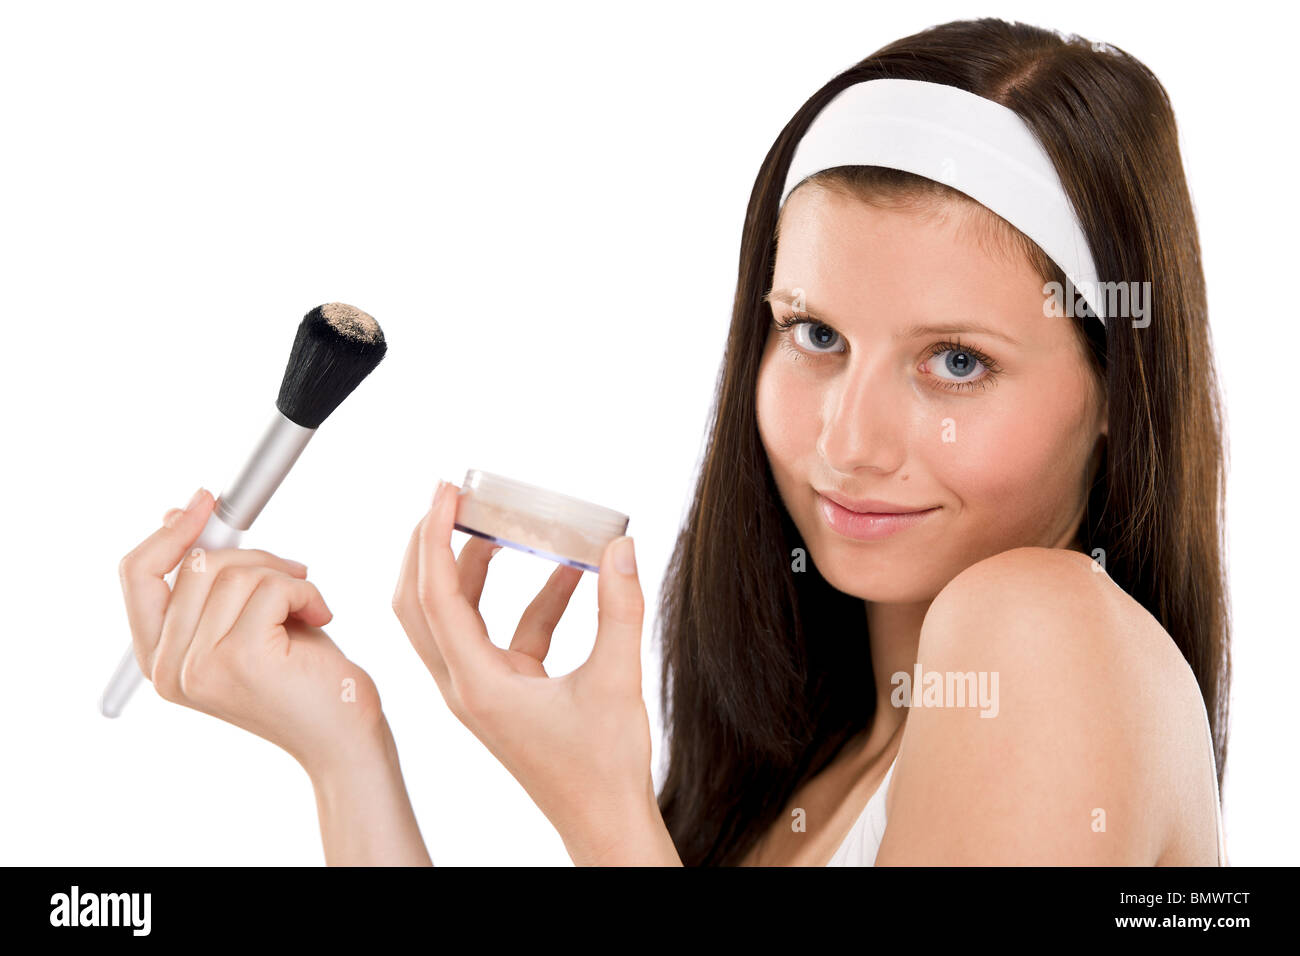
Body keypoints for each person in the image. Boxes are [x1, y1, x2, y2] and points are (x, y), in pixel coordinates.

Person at [117, 17, 1230, 866]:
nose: (847, 438)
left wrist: (599, 804)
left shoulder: (1042, 628)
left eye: (956, 361)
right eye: (815, 333)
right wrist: (343, 739)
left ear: (1116, 389)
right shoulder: (826, 758)